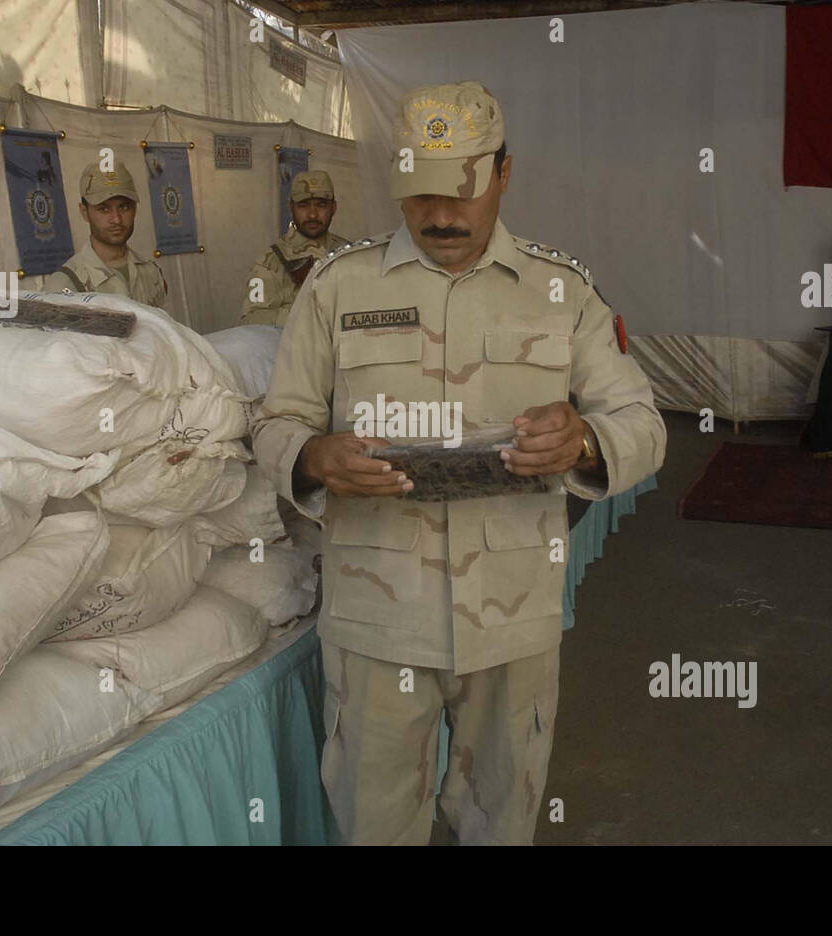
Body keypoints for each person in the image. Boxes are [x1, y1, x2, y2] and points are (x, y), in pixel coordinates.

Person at [252, 81, 667, 845]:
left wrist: (582, 441)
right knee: (374, 825)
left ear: (504, 174)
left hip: (511, 620)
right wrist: (314, 456)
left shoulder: (561, 290)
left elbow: (641, 420)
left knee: (499, 824)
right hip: (377, 620)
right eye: (420, 197)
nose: (440, 215)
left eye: (460, 193)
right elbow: (277, 422)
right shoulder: (337, 288)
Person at [42, 160, 168, 308]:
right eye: (104, 209)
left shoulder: (150, 272)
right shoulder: (64, 286)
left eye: (124, 207)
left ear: (135, 209)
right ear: (84, 212)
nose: (116, 219)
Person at [240, 170, 349, 326]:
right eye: (303, 205)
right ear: (291, 207)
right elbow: (251, 318)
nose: (312, 215)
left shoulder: (348, 252)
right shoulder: (271, 261)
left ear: (334, 208)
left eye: (321, 205)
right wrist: (305, 314)